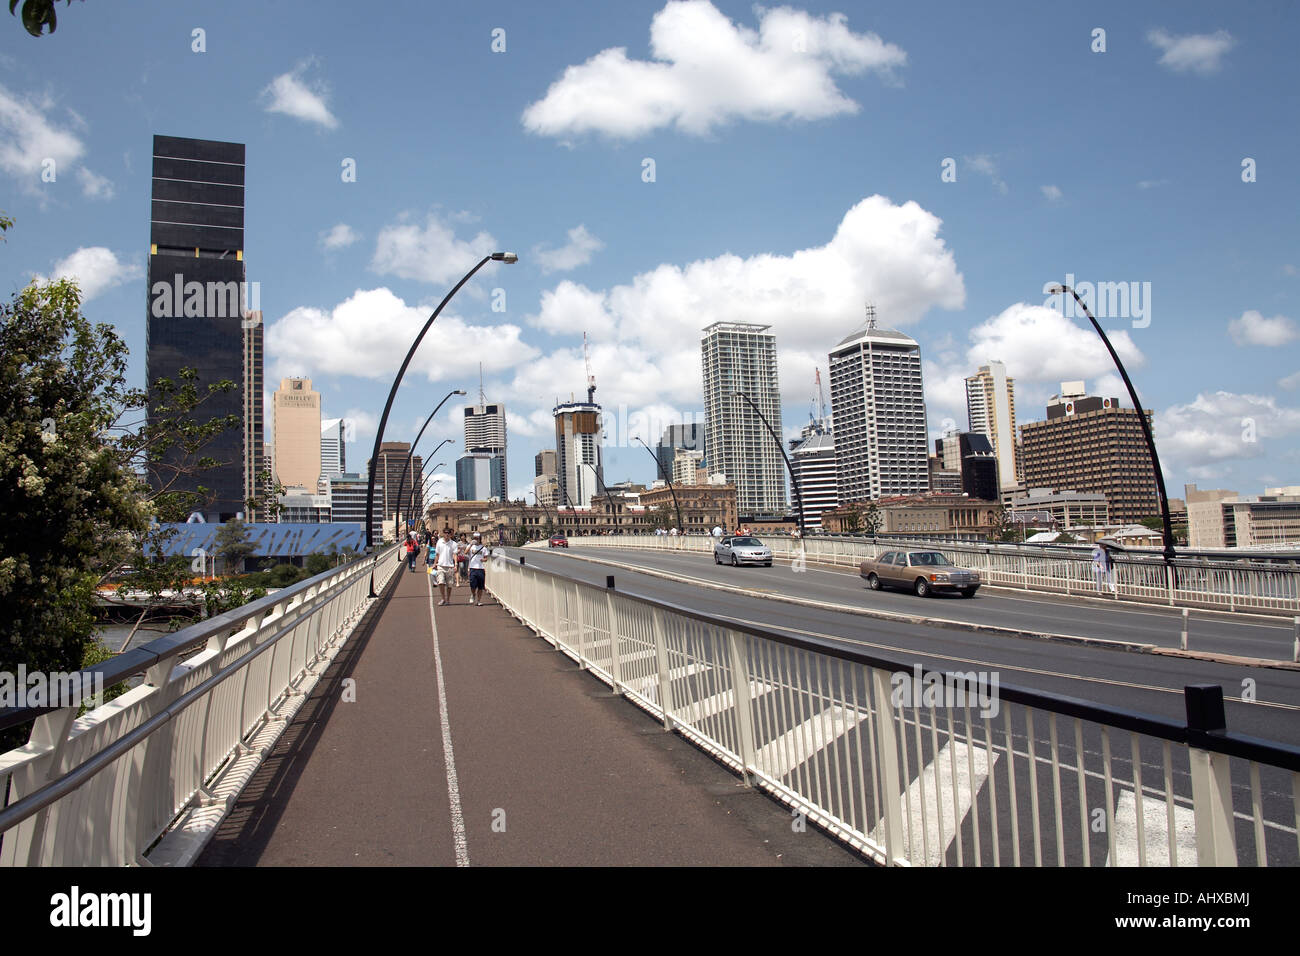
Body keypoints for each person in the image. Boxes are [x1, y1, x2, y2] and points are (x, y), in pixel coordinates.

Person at [434, 529, 457, 605]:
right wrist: (435, 563)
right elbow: (437, 554)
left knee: (449, 585)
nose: (447, 534)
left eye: (448, 533)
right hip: (441, 565)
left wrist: (456, 564)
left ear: (450, 534)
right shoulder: (439, 542)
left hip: (450, 566)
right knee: (441, 582)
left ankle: (448, 599)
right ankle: (443, 598)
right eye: (445, 533)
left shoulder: (453, 544)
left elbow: (454, 554)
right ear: (443, 534)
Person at [467, 532, 490, 606]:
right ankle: (473, 594)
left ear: (480, 539)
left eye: (477, 538)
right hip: (473, 567)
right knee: (472, 585)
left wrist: (483, 560)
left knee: (480, 586)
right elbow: (465, 552)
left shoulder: (483, 548)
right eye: (475, 538)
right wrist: (470, 544)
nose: (476, 539)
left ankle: (478, 600)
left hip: (480, 568)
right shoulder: (471, 547)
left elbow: (486, 558)